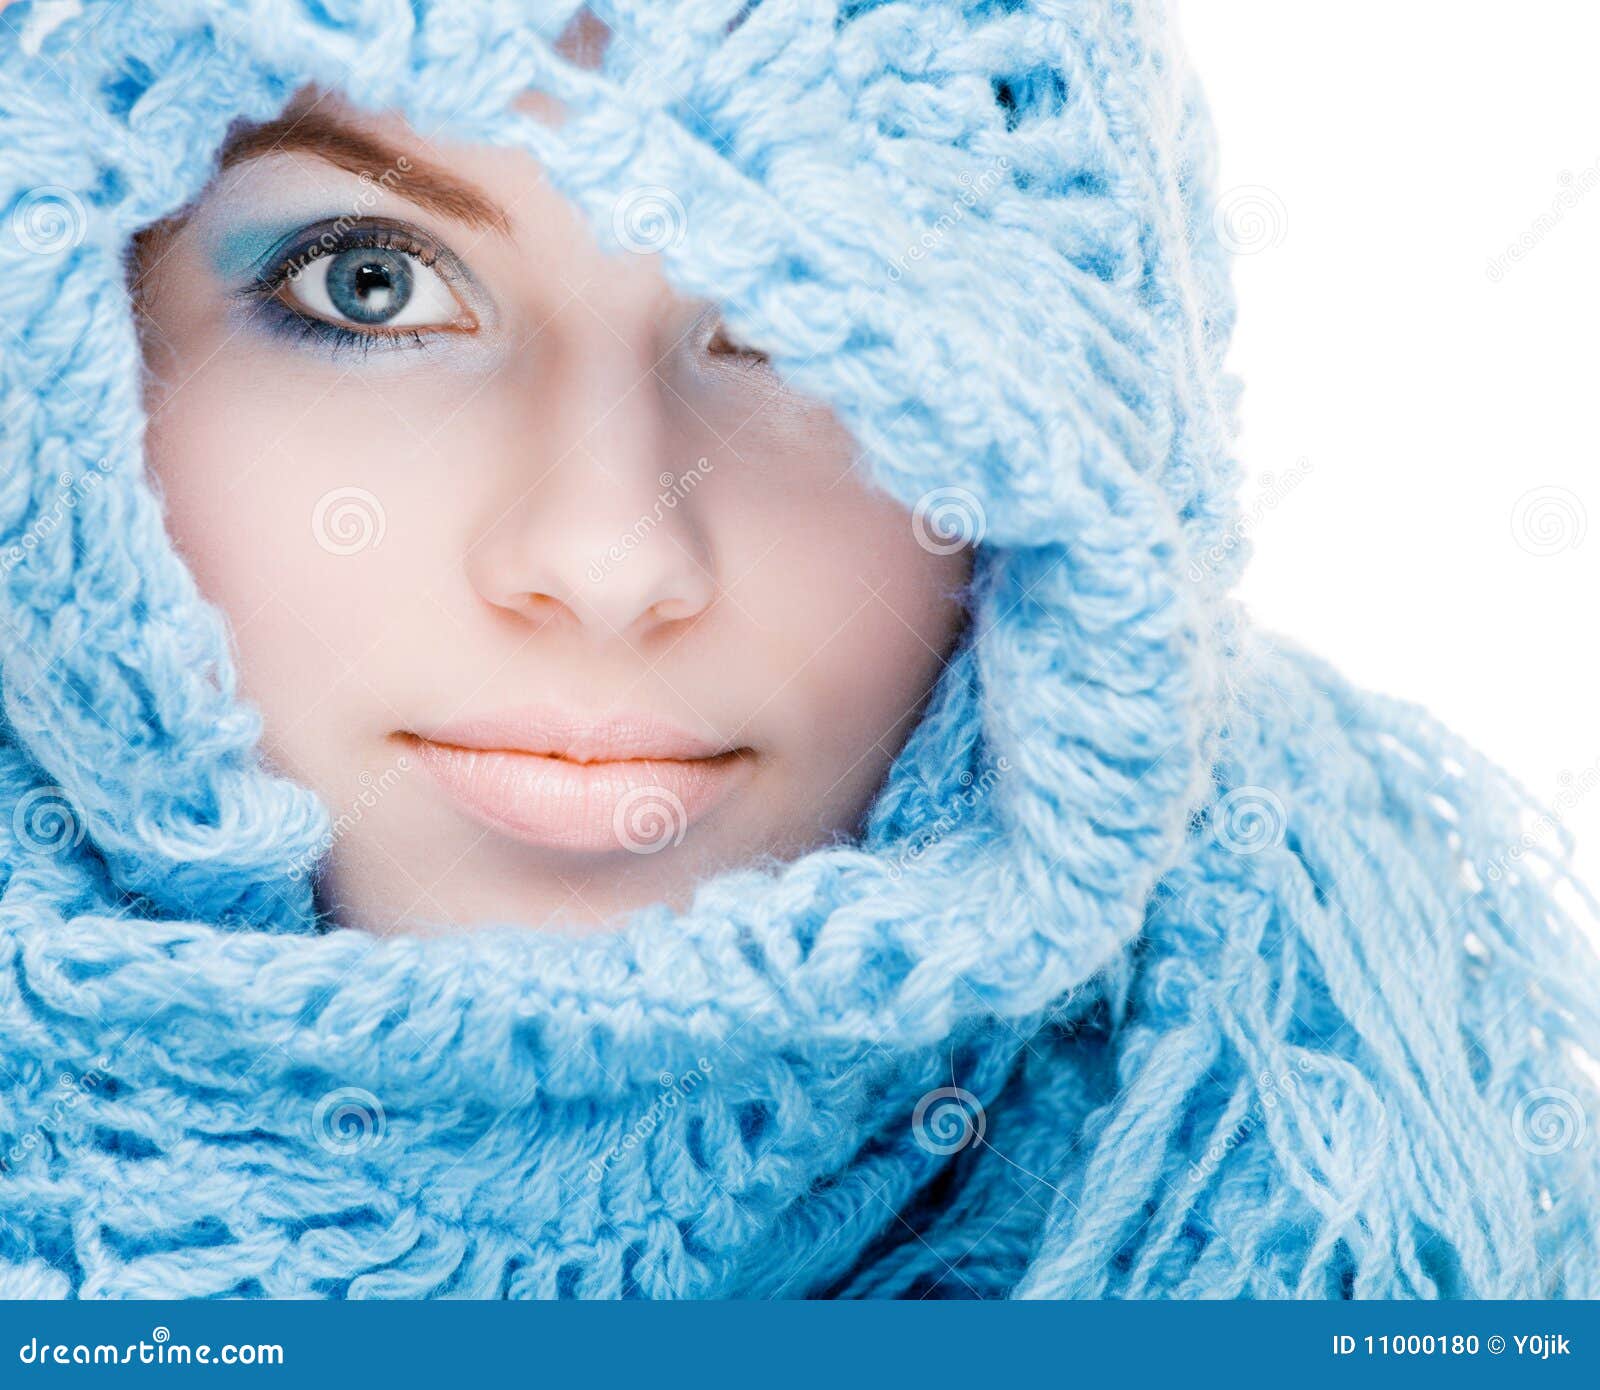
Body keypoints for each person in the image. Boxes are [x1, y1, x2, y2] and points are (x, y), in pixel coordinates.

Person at [0, 0, 1595, 1299]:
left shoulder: (1407, 1198)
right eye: (370, 282)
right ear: (65, 344)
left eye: (813, 324)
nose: (606, 554)